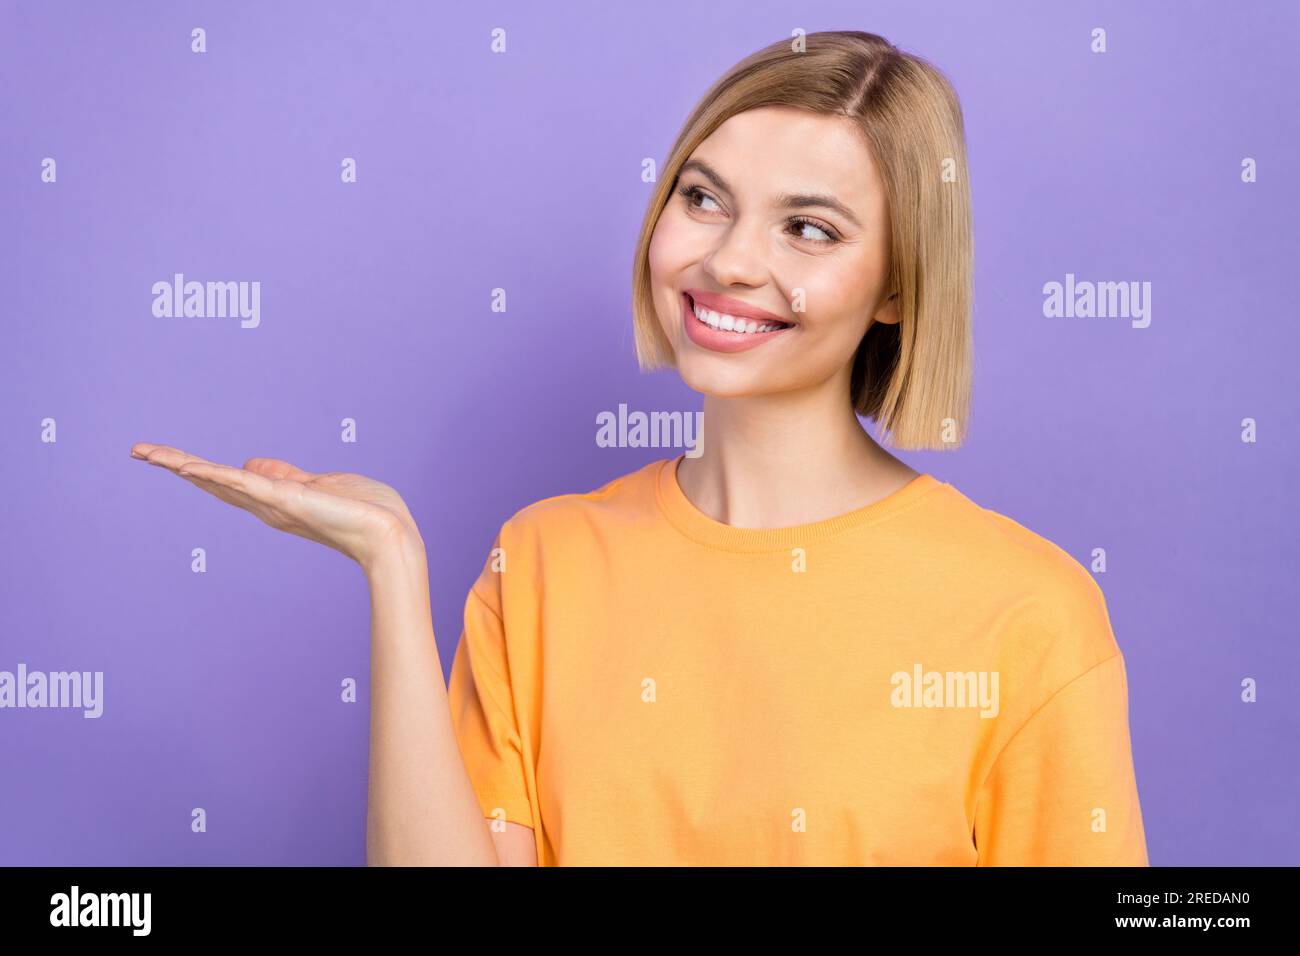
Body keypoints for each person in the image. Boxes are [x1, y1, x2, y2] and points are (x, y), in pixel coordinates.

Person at [131, 30, 1148, 866]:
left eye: (809, 228)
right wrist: (392, 566)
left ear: (897, 286)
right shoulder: (541, 562)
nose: (728, 260)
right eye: (702, 198)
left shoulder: (1028, 614)